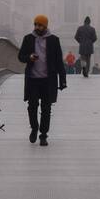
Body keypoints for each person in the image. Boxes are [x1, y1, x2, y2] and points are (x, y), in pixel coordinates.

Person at [18, 13, 66, 146]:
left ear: (45, 26)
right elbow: (21, 56)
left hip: (48, 80)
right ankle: (34, 128)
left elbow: (58, 61)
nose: (37, 27)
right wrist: (29, 57)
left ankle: (43, 134)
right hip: (33, 79)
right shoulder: (28, 39)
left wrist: (62, 79)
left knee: (46, 108)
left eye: (40, 25)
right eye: (35, 24)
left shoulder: (54, 40)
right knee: (32, 106)